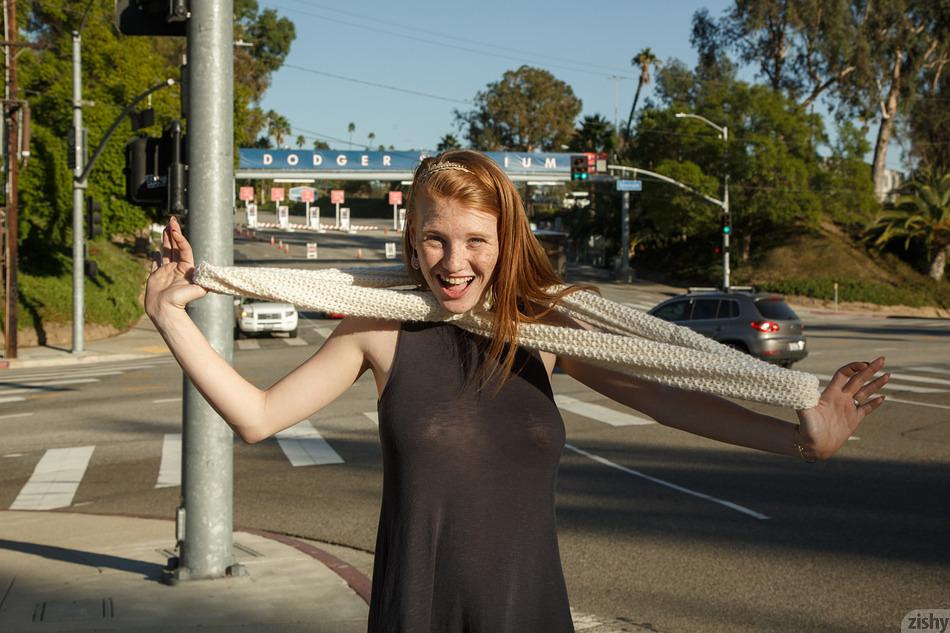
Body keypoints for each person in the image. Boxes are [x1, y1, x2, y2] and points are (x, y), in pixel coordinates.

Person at [145, 149, 889, 633]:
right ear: (412, 239)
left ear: (506, 241)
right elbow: (257, 416)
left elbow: (668, 395)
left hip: (531, 613)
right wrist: (167, 313)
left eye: (475, 240)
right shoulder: (379, 326)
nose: (454, 261)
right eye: (436, 238)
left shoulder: (550, 328)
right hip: (418, 614)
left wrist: (800, 435)